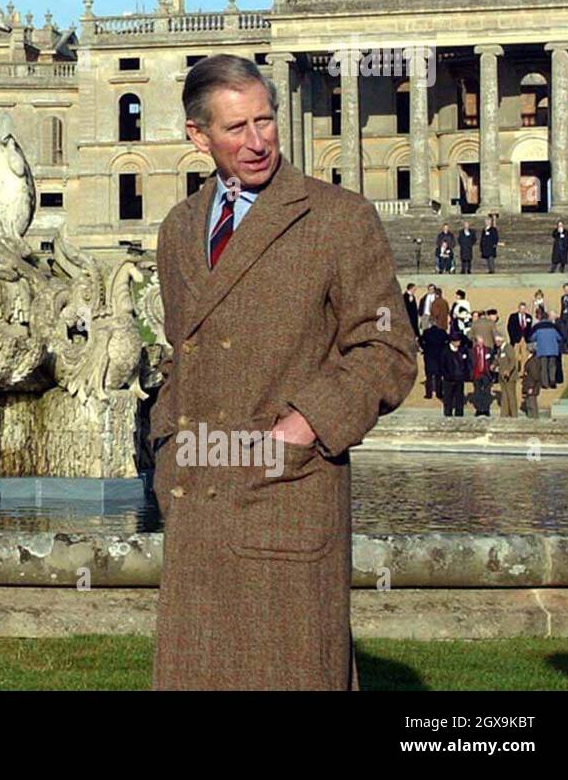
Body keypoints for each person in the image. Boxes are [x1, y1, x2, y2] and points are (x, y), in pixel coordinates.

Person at [149, 54, 415, 691]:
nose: (258, 140)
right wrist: (165, 444)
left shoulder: (338, 218)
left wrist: (304, 427)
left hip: (287, 495)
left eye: (265, 121)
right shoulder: (179, 228)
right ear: (197, 136)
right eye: (236, 128)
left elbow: (387, 351)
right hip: (197, 501)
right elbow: (182, 354)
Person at [440, 332, 471, 417]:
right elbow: (442, 366)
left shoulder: (462, 350)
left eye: (459, 341)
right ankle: (448, 414)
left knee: (459, 398)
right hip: (449, 379)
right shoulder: (445, 351)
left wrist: (465, 374)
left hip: (459, 377)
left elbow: (466, 363)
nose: (458, 343)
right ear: (452, 341)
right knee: (448, 398)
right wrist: (447, 376)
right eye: (457, 341)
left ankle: (459, 414)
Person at [528, 311, 561, 389]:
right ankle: (552, 380)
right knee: (552, 365)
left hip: (542, 350)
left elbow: (532, 338)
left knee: (544, 366)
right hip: (553, 349)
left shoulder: (537, 327)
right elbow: (559, 337)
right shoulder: (553, 326)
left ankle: (545, 383)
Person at [420, 320, 449, 400]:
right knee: (439, 376)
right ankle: (439, 393)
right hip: (439, 356)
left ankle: (428, 394)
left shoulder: (426, 332)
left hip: (429, 356)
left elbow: (420, 341)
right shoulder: (442, 332)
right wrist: (443, 349)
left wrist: (424, 348)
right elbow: (448, 340)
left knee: (429, 376)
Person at [495, 337, 519, 419]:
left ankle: (514, 414)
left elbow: (512, 360)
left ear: (501, 341)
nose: (496, 343)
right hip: (502, 376)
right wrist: (493, 365)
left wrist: (508, 370)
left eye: (497, 341)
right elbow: (498, 359)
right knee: (504, 395)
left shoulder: (508, 348)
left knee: (511, 396)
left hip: (510, 377)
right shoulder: (500, 349)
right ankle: (504, 414)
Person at [522, 340, 543, 419]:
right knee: (529, 404)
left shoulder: (533, 361)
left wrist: (531, 387)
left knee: (532, 404)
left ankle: (534, 420)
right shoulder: (533, 359)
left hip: (531, 385)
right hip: (530, 384)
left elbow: (535, 376)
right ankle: (532, 419)